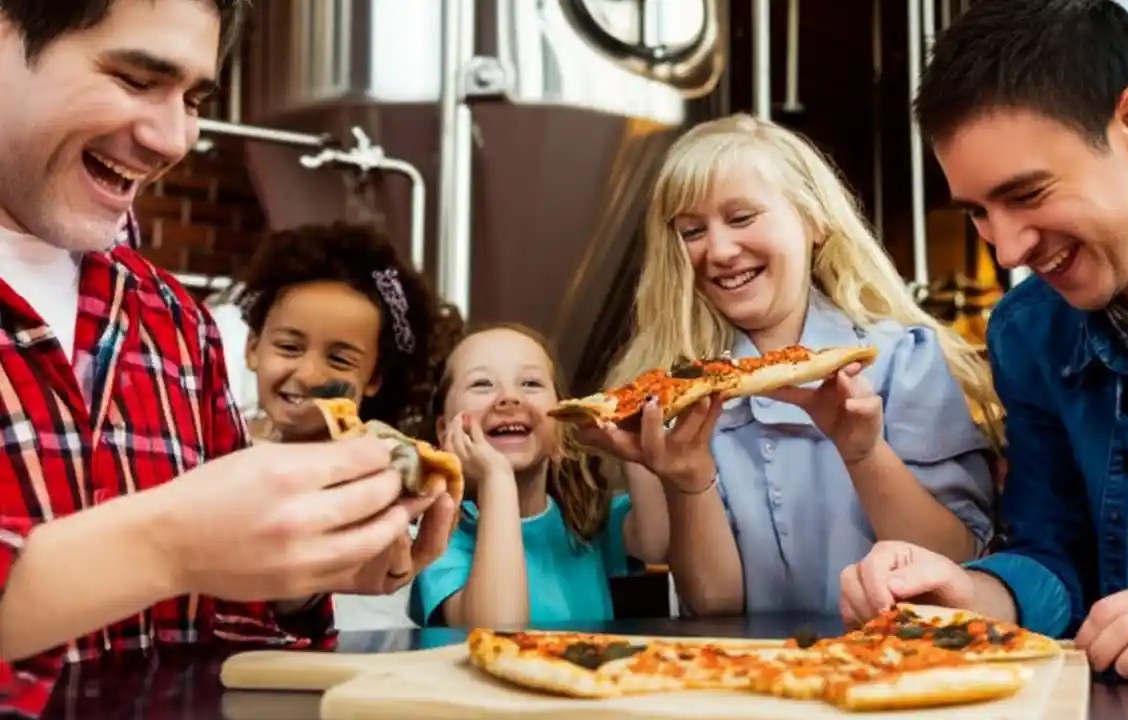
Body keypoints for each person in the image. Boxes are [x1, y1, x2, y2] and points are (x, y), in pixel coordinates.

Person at [0, 0, 455, 713]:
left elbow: (221, 634)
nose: (174, 137)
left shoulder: (176, 323)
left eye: (193, 98)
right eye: (134, 79)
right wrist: (164, 545)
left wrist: (297, 572)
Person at [839, 0, 1128, 685]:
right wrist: (973, 597)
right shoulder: (1028, 331)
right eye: (981, 212)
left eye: (1029, 194)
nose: (1009, 248)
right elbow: (1058, 554)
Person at [580, 114, 1001, 617]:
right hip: (756, 678)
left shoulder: (902, 359)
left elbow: (960, 561)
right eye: (692, 231)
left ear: (814, 221)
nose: (718, 250)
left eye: (741, 219)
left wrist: (865, 454)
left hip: (898, 666)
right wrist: (686, 479)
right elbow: (715, 605)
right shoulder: (674, 392)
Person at [237, 221, 465, 629]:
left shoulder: (389, 476)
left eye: (339, 359)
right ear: (253, 348)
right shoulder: (214, 456)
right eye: (289, 347)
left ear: (374, 377)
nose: (307, 374)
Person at [411, 324, 667, 627]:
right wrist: (497, 479)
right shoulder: (438, 537)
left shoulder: (586, 522)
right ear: (444, 431)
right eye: (481, 384)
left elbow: (657, 543)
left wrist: (633, 448)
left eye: (530, 383)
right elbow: (498, 629)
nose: (508, 398)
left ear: (561, 427)